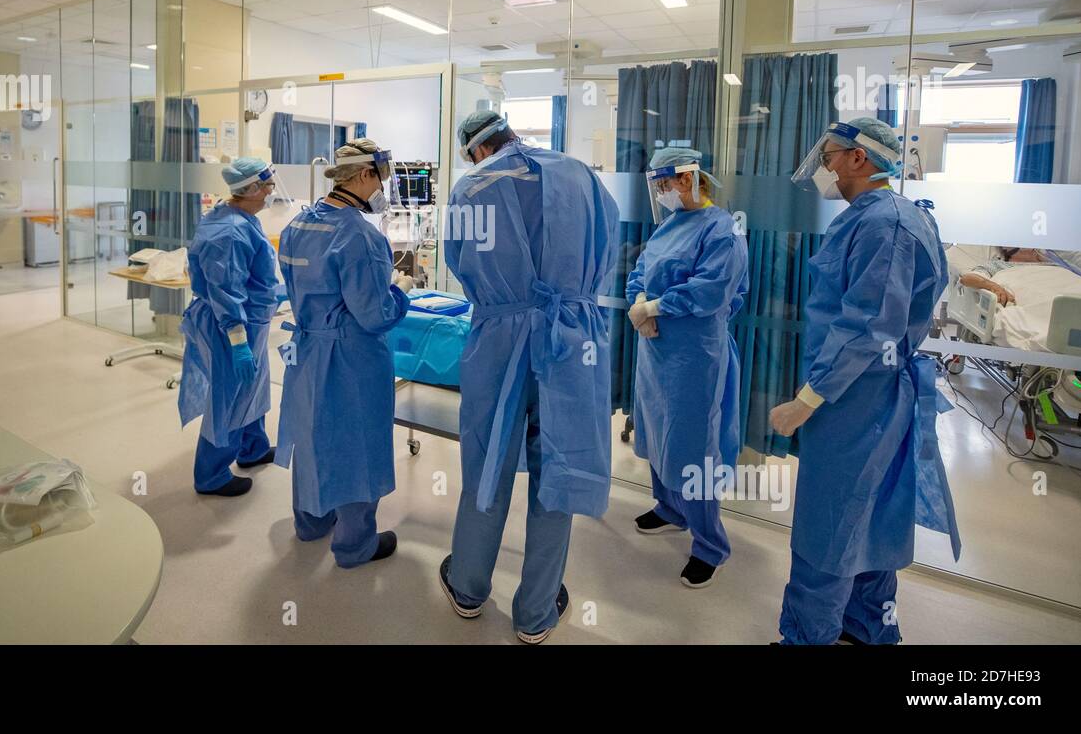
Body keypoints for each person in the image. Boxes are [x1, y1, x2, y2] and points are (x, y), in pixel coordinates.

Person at [770, 116, 960, 645]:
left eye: (829, 155)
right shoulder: (886, 217)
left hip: (856, 398)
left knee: (830, 524)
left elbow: (869, 325)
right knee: (871, 516)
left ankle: (809, 636)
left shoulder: (884, 225)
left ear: (858, 158)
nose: (824, 166)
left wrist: (808, 399)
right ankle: (866, 627)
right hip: (868, 391)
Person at [438, 110, 619, 644]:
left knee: (486, 459)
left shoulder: (471, 189)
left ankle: (468, 587)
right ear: (509, 132)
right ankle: (536, 611)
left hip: (499, 340)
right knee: (559, 466)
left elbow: (460, 262)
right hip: (572, 337)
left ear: (476, 149)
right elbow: (607, 249)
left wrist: (505, 298)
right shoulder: (581, 176)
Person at [275, 139, 410, 568]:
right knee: (356, 443)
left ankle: (311, 522)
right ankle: (355, 545)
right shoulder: (360, 236)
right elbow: (374, 314)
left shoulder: (298, 224)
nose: (382, 190)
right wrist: (400, 292)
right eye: (381, 180)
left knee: (313, 434)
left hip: (307, 350)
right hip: (352, 358)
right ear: (366, 175)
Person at [626, 147, 748, 588]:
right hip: (656, 350)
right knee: (657, 429)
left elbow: (712, 290)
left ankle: (709, 543)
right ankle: (670, 508)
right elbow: (641, 270)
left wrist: (656, 306)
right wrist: (640, 301)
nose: (661, 193)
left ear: (687, 178)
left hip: (696, 355)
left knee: (694, 445)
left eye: (664, 184)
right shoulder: (669, 225)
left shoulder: (724, 229)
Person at [178, 157, 280, 498]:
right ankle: (211, 475)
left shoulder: (238, 217)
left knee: (253, 387)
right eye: (267, 186)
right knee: (230, 395)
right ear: (251, 189)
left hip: (251, 319)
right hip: (232, 324)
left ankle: (252, 448)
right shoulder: (231, 232)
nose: (271, 192)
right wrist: (238, 341)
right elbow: (226, 289)